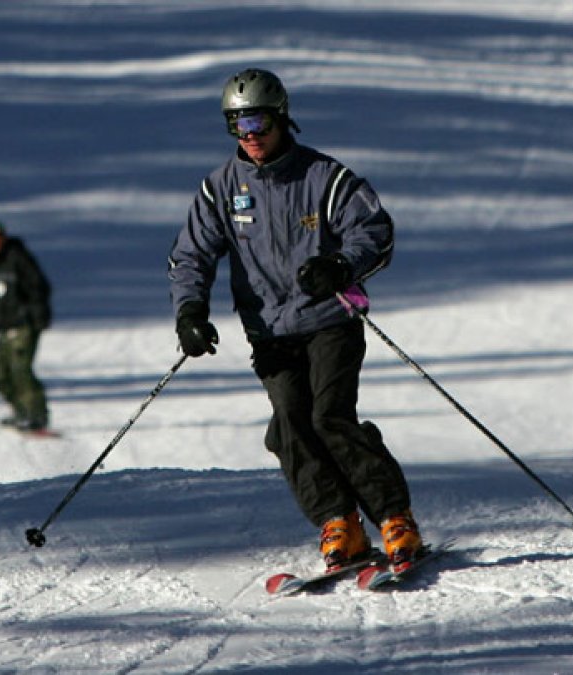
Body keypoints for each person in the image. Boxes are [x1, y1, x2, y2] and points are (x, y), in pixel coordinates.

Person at [167, 68, 424, 573]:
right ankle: (339, 523)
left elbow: (375, 231)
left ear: (282, 117)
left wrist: (339, 266)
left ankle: (394, 517)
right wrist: (190, 311)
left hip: (332, 318)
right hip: (270, 331)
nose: (252, 136)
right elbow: (190, 256)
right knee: (291, 423)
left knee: (329, 415)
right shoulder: (220, 189)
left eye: (259, 122)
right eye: (238, 126)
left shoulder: (323, 177)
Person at [0, 221, 52, 432]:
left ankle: (36, 415)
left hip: (24, 325)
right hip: (3, 328)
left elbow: (39, 287)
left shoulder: (18, 258)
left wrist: (38, 314)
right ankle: (21, 411)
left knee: (21, 370)